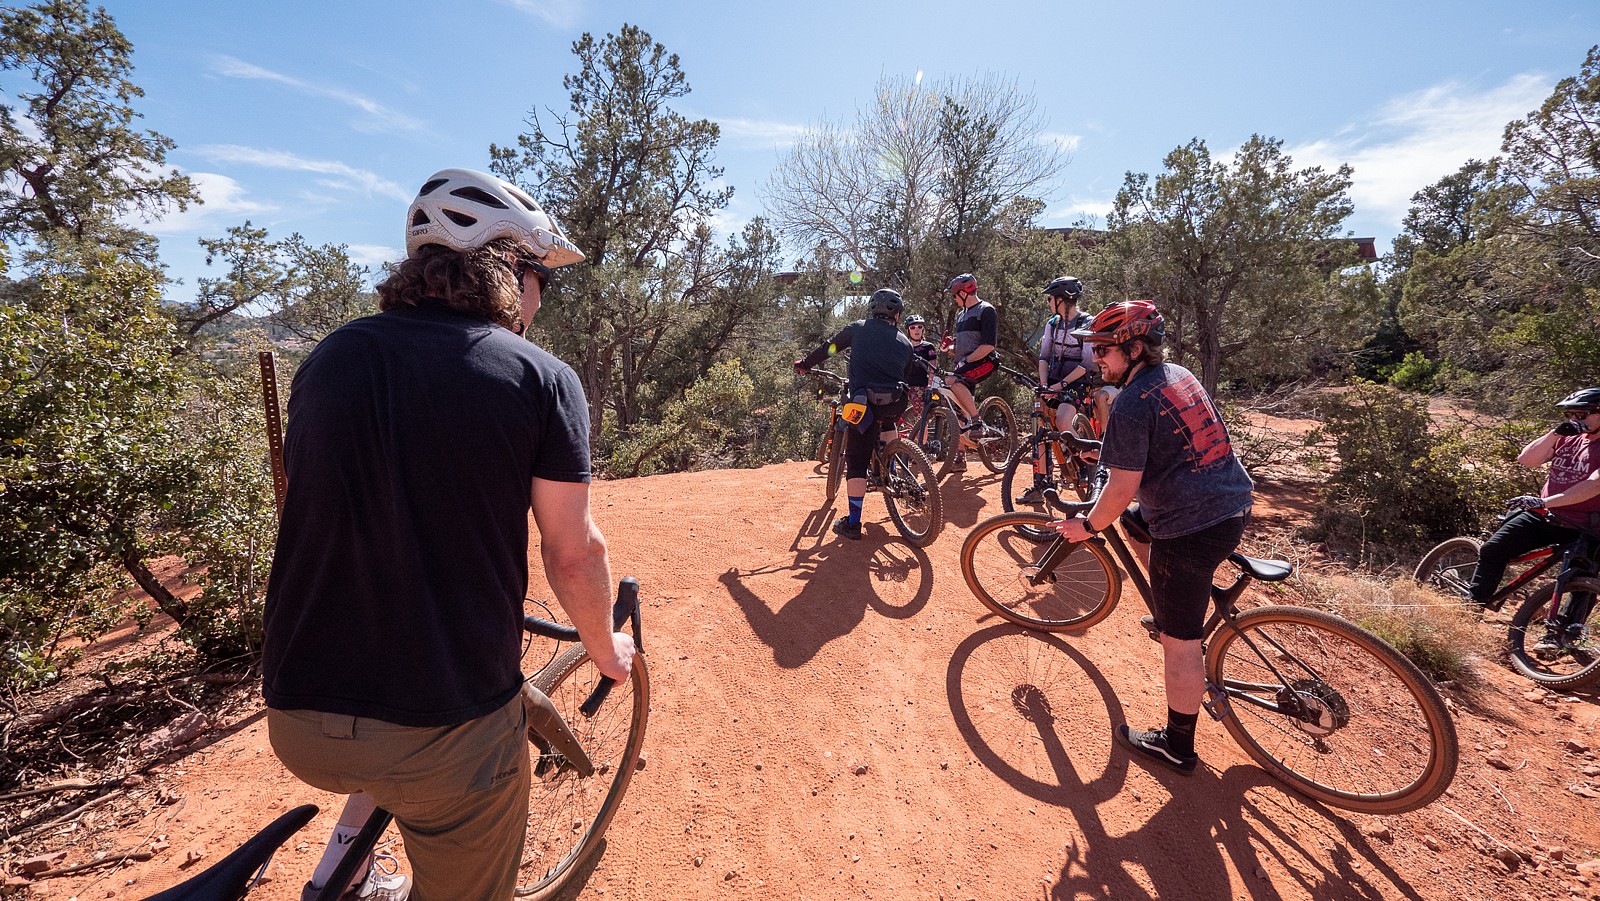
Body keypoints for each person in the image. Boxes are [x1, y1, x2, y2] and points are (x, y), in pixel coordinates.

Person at [262, 168, 636, 901]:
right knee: (431, 762)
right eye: (541, 278)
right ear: (505, 267)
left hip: (296, 711)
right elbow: (571, 550)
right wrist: (603, 646)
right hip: (444, 734)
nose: (540, 299)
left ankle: (347, 873)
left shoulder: (327, 359)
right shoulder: (541, 378)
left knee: (388, 743)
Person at [1050, 300, 1254, 776]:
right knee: (1137, 522)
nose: (1096, 357)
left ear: (1135, 348)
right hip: (1233, 503)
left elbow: (1120, 489)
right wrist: (1102, 453)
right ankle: (1172, 601)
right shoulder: (1178, 375)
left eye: (1104, 349)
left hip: (1190, 528)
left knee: (1179, 642)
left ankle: (1177, 745)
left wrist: (1087, 526)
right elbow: (1158, 444)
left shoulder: (1129, 403)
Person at [1466, 387, 1600, 651]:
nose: (1575, 418)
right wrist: (1556, 432)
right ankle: (1470, 611)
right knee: (1494, 549)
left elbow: (1594, 486)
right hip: (1547, 516)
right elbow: (1527, 459)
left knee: (1582, 580)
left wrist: (1544, 501)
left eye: (1582, 413)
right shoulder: (1569, 437)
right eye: (1570, 413)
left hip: (1586, 524)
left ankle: (1560, 636)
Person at [794, 288, 920, 540]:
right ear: (896, 315)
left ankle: (853, 523)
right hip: (894, 402)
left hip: (863, 405)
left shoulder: (858, 328)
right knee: (887, 422)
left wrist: (806, 364)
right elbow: (910, 374)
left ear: (873, 309)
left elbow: (829, 348)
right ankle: (891, 464)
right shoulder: (905, 341)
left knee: (856, 461)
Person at [1017, 276, 1095, 504]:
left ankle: (1081, 464)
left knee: (1062, 421)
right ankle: (1041, 484)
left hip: (1078, 382)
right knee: (1039, 426)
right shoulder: (1052, 324)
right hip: (1052, 381)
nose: (1049, 302)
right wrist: (1044, 385)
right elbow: (1043, 357)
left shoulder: (1086, 323)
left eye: (1051, 298)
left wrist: (1059, 386)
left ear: (1063, 300)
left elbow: (1087, 365)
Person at [943, 273, 1003, 459]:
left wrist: (966, 361)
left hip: (985, 361)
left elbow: (988, 345)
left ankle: (977, 421)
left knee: (952, 381)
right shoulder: (962, 316)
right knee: (956, 405)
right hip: (965, 365)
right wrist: (949, 348)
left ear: (962, 293)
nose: (954, 300)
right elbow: (962, 348)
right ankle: (959, 457)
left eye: (954, 295)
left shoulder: (986, 310)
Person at [901, 313, 938, 431]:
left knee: (921, 418)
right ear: (908, 330)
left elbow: (933, 367)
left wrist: (929, 385)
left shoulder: (928, 346)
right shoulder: (904, 346)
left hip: (921, 386)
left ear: (923, 329)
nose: (916, 330)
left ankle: (920, 445)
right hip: (904, 385)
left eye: (919, 327)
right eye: (913, 327)